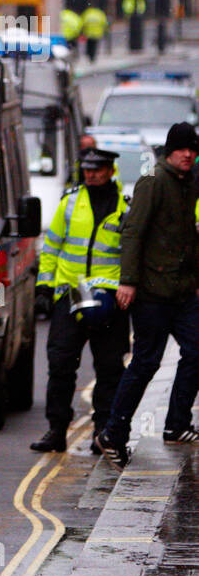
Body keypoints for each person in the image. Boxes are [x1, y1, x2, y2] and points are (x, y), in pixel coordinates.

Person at [96, 122, 199, 465]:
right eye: (183, 149)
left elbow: (188, 237)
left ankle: (177, 424)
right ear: (170, 151)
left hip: (183, 292)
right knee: (145, 363)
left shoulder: (189, 183)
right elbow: (133, 233)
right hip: (153, 294)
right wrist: (128, 280)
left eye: (193, 149)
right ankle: (113, 434)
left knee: (196, 350)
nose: (189, 154)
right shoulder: (153, 183)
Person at [31, 149, 128, 453]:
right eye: (87, 170)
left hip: (110, 295)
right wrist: (45, 288)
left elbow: (134, 252)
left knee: (110, 367)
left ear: (111, 171)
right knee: (60, 364)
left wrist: (131, 288)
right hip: (71, 292)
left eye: (97, 170)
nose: (91, 175)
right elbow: (52, 246)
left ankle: (103, 432)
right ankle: (56, 429)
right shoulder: (70, 201)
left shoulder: (127, 206)